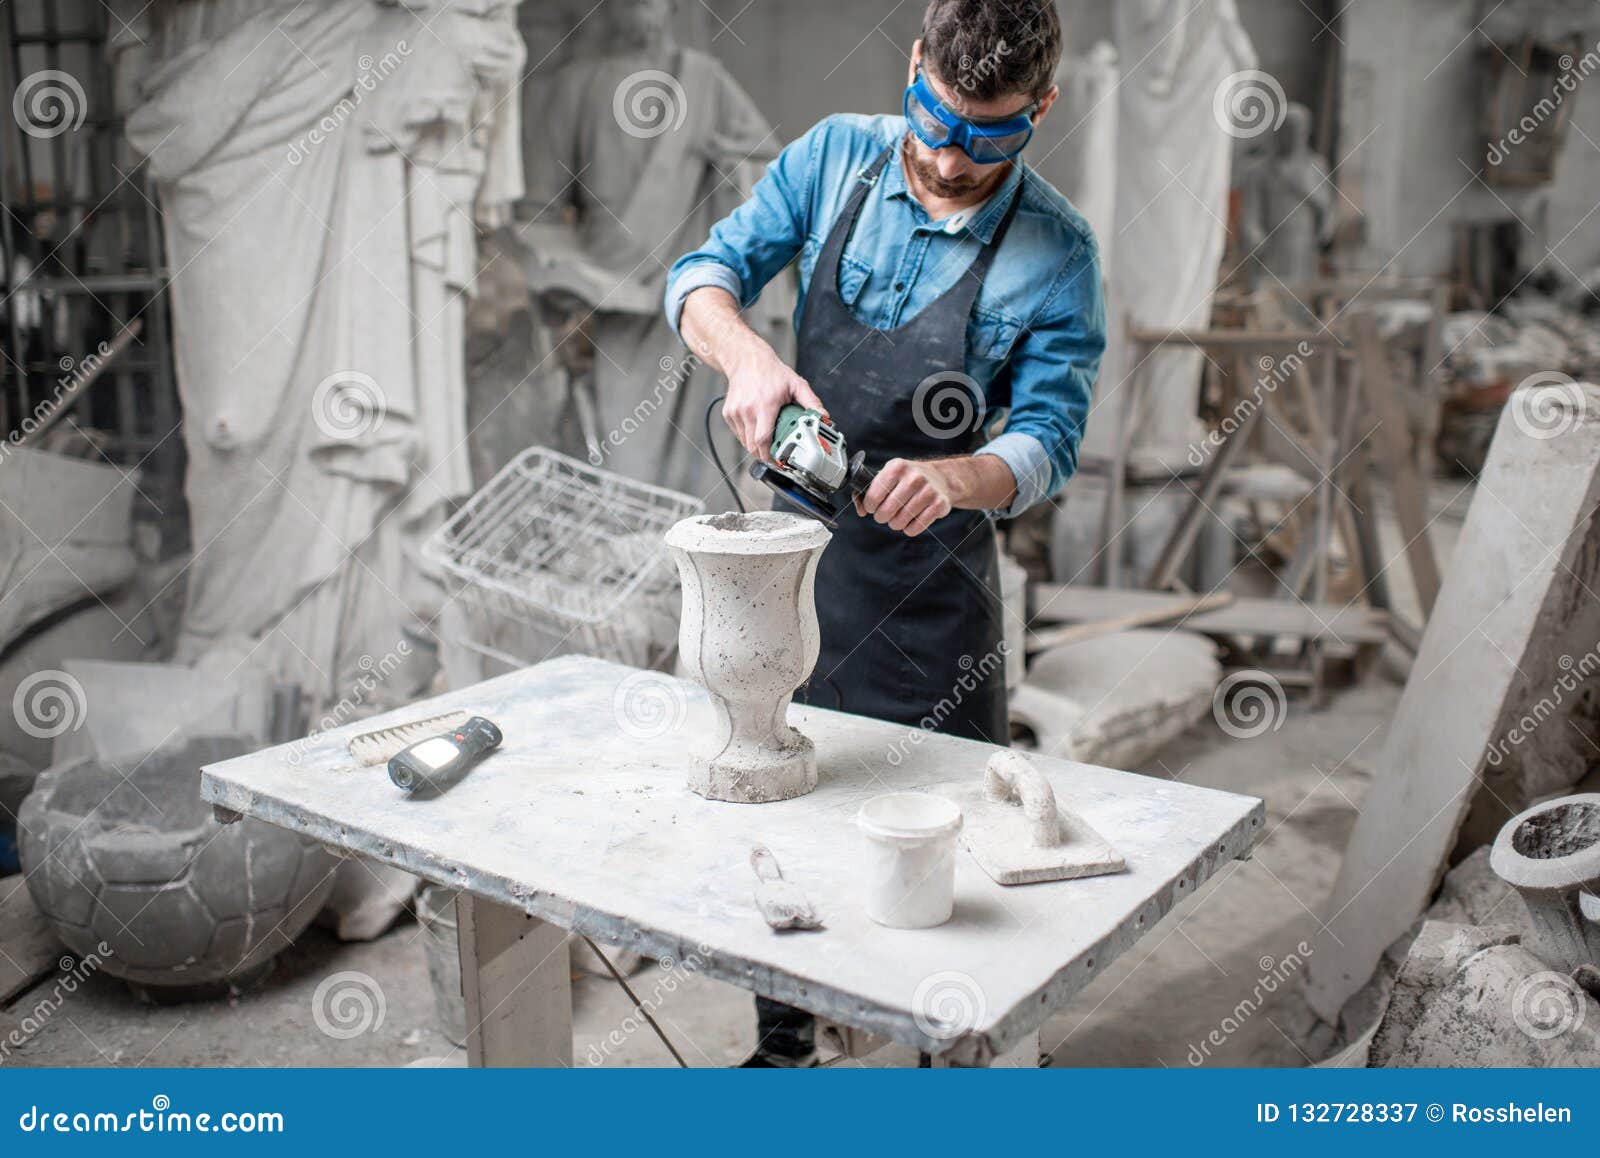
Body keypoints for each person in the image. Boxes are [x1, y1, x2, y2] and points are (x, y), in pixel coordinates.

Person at [663, 0, 1106, 1066]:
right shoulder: (831, 160)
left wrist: (957, 476)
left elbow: (1050, 436)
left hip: (931, 598)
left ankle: (944, 1064)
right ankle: (786, 1048)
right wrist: (748, 360)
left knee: (934, 844)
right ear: (913, 65)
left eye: (989, 135)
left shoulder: (1055, 251)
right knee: (776, 803)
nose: (951, 159)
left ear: (1040, 108)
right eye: (936, 119)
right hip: (791, 571)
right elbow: (699, 279)